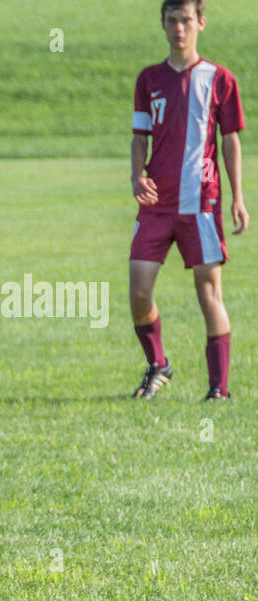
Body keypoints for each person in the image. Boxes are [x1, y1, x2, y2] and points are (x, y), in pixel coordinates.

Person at [129, 0, 246, 400]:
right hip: (156, 204)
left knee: (208, 293)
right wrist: (136, 174)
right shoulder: (149, 80)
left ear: (200, 23)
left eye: (186, 20)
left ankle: (219, 390)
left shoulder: (220, 79)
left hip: (202, 204)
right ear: (162, 25)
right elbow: (139, 136)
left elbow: (230, 141)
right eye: (172, 20)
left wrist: (238, 198)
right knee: (138, 290)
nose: (179, 28)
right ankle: (158, 364)